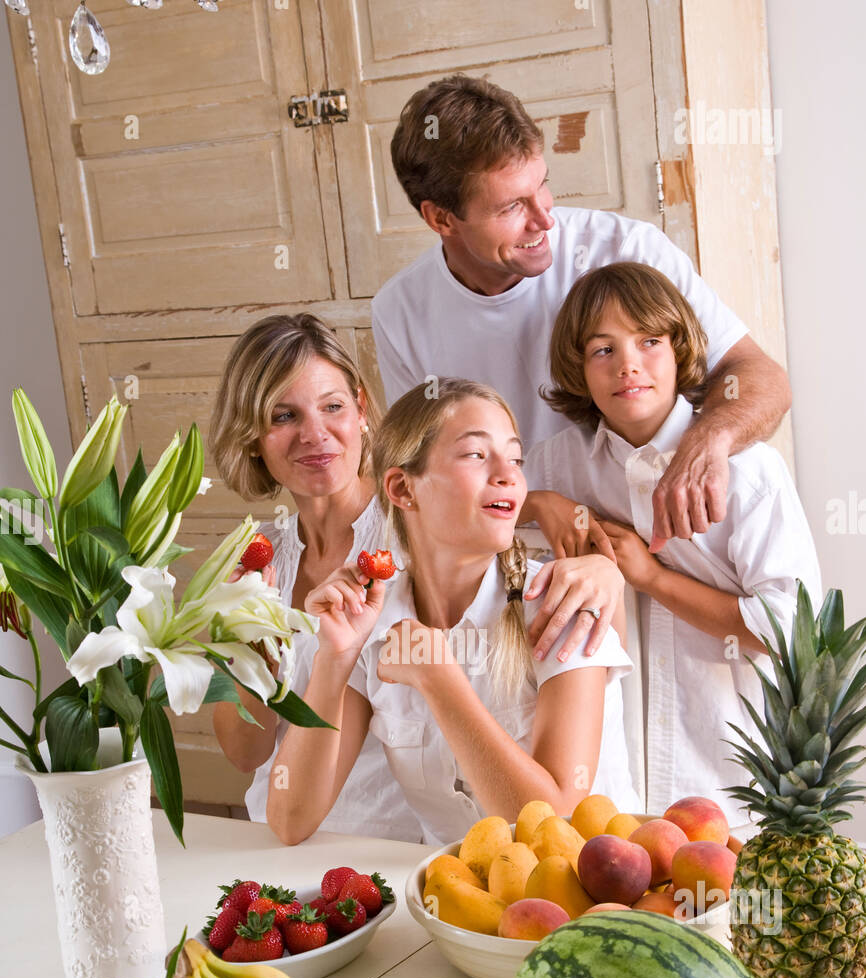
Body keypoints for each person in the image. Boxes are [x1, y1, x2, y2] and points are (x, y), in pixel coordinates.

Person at [209, 314, 623, 836]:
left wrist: (608, 572)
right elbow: (273, 796)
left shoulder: (547, 597)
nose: (315, 435)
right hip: (395, 873)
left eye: (332, 406)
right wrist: (292, 651)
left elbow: (552, 829)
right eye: (284, 415)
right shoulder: (340, 599)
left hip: (423, 853)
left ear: (361, 408)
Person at [372, 73, 791, 554]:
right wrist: (537, 503)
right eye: (511, 206)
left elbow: (762, 378)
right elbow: (423, 474)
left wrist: (709, 441)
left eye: (542, 185)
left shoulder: (626, 249)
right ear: (441, 218)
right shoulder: (400, 311)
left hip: (665, 546)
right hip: (516, 560)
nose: (545, 218)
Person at [522, 261, 822, 822]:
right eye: (602, 350)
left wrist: (653, 578)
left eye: (649, 341)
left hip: (730, 777)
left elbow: (790, 631)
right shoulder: (555, 463)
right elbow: (467, 518)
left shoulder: (751, 473)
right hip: (609, 779)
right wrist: (538, 502)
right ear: (579, 369)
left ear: (679, 349)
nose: (628, 365)